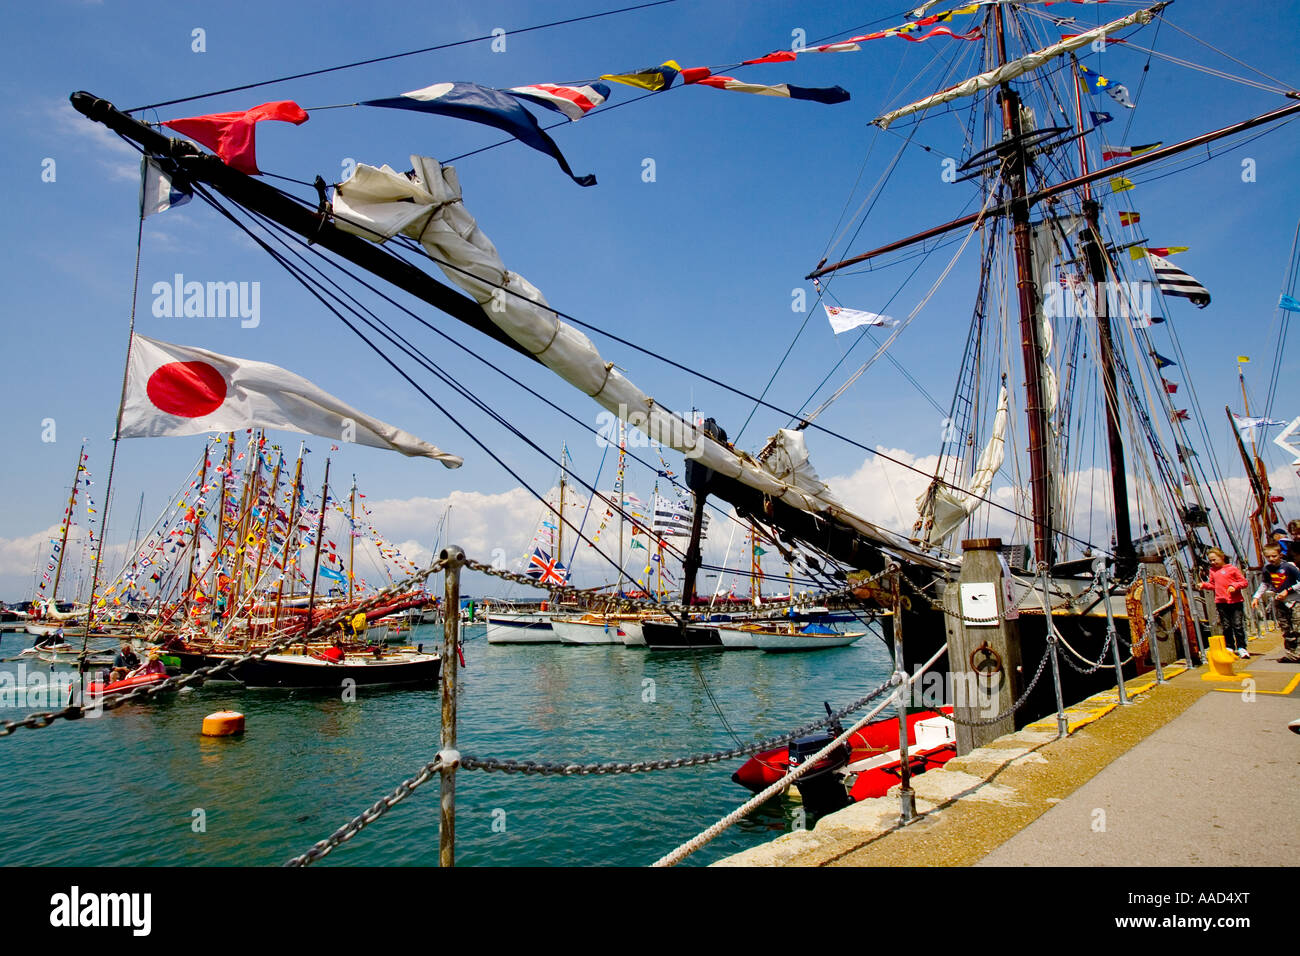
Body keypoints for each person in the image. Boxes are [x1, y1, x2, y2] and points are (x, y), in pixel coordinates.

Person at [1251, 544, 1300, 663]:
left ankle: (1298, 651)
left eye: (1274, 556)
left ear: (1280, 555)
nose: (1271, 559)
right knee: (1286, 628)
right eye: (1268, 556)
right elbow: (1265, 584)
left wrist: (1288, 591)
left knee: (1298, 627)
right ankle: (1291, 654)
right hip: (1280, 601)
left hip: (1294, 600)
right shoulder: (1267, 569)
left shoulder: (1289, 567)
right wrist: (1256, 597)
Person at [1198, 549, 1250, 657]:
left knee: (1238, 625)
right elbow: (1213, 585)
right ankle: (1230, 646)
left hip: (1235, 601)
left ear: (1222, 557)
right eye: (1210, 560)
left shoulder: (1232, 569)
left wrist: (1234, 586)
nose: (1212, 562)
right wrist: (1204, 585)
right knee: (1226, 626)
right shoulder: (1212, 571)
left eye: (1214, 559)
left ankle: (1242, 647)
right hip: (1221, 601)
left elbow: (1244, 582)